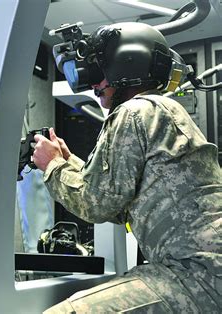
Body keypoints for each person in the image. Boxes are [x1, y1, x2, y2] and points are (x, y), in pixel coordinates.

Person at [33, 22, 221, 312]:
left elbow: (97, 204)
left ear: (123, 66)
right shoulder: (161, 111)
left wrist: (52, 166)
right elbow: (122, 201)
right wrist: (68, 161)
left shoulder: (134, 111)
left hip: (196, 274)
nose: (94, 86)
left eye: (97, 73)